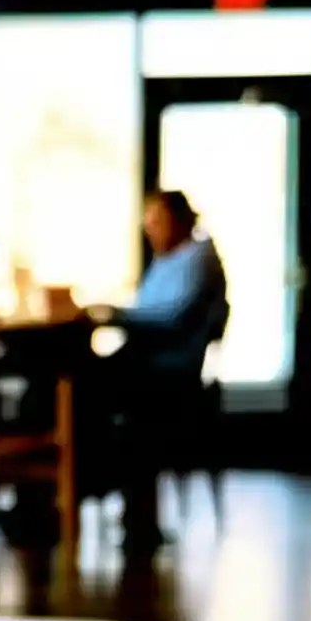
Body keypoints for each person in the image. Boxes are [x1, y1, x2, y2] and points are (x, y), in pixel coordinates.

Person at [85, 189, 229, 557]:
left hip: (169, 373)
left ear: (181, 221)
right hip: (146, 363)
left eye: (157, 221)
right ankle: (70, 493)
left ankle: (94, 492)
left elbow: (169, 319)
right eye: (147, 223)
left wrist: (114, 314)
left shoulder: (197, 260)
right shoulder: (166, 260)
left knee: (90, 394)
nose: (150, 230)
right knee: (75, 384)